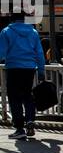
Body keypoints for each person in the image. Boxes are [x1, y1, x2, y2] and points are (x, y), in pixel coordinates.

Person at [0, 9, 46, 139]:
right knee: (27, 95)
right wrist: (41, 70)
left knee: (14, 98)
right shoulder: (33, 32)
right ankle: (30, 119)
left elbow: (1, 52)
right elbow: (40, 53)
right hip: (30, 69)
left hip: (13, 68)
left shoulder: (6, 32)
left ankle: (19, 128)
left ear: (12, 19)